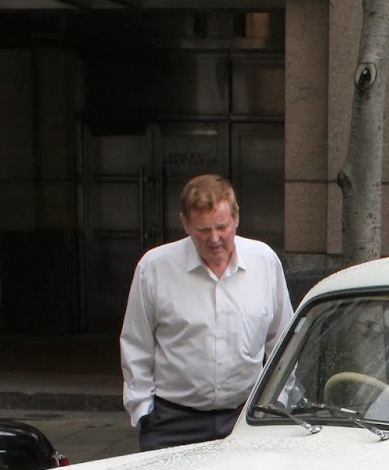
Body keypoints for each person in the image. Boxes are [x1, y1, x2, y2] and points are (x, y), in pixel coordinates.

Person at [120, 174, 294, 451]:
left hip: (245, 418)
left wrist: (278, 402)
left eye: (222, 227)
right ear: (185, 223)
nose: (214, 239)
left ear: (236, 218)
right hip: (172, 421)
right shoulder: (154, 268)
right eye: (203, 230)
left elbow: (283, 340)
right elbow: (136, 343)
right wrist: (143, 410)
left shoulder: (265, 262)